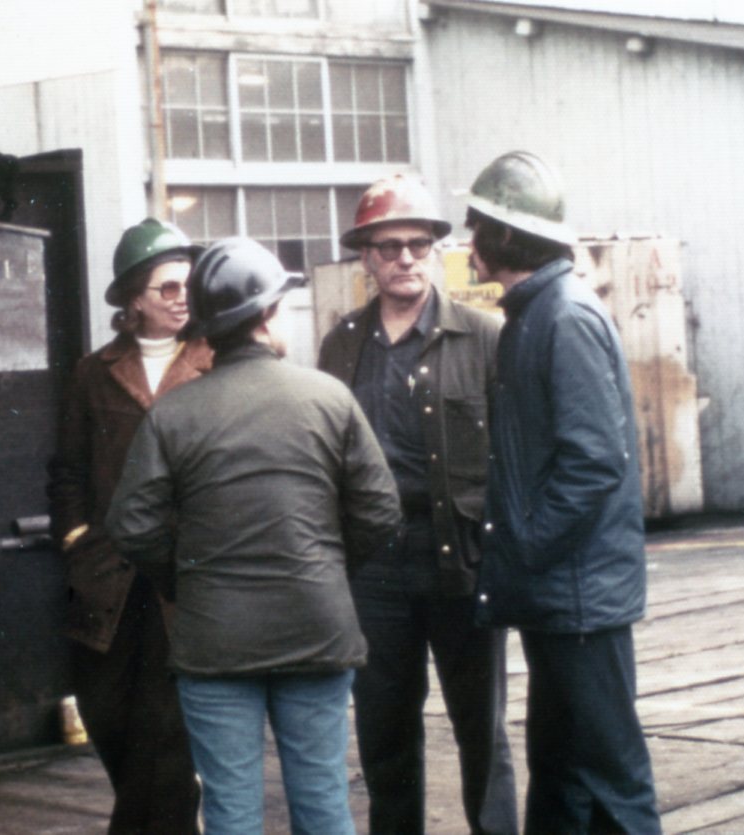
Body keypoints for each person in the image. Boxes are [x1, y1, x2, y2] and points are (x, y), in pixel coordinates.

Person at [105, 236, 402, 835]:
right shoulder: (329, 398)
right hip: (316, 625)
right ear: (267, 316)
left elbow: (131, 525)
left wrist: (187, 577)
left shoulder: (174, 415)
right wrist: (319, 564)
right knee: (322, 801)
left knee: (231, 810)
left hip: (215, 639)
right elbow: (380, 511)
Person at [464, 150, 662, 834]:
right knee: (562, 776)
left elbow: (594, 462)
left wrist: (526, 544)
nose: (468, 241)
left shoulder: (564, 317)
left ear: (506, 238)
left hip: (576, 594)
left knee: (611, 783)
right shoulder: (533, 313)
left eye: (477, 226)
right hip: (560, 595)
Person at [318, 175, 519, 835]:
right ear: (367, 258)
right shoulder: (341, 346)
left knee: (481, 732)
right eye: (389, 246)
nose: (405, 257)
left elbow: (512, 457)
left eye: (418, 244)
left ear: (436, 249)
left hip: (461, 561)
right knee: (384, 732)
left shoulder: (485, 338)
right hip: (373, 569)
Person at [46, 217, 208, 834]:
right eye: (166, 288)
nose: (181, 298)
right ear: (133, 298)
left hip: (182, 577)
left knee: (168, 735)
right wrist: (77, 541)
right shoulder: (94, 372)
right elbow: (66, 472)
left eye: (188, 286)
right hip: (109, 577)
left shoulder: (213, 360)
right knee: (109, 715)